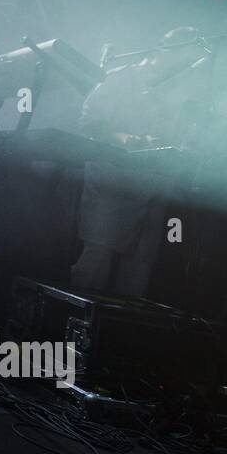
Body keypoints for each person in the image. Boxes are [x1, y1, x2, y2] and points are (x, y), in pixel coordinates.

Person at [71, 26, 212, 295]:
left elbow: (186, 135)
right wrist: (125, 138)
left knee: (139, 270)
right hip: (112, 183)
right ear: (165, 51)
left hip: (153, 187)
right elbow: (88, 124)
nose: (191, 67)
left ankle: (119, 331)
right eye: (187, 60)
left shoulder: (182, 93)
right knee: (96, 262)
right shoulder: (119, 79)